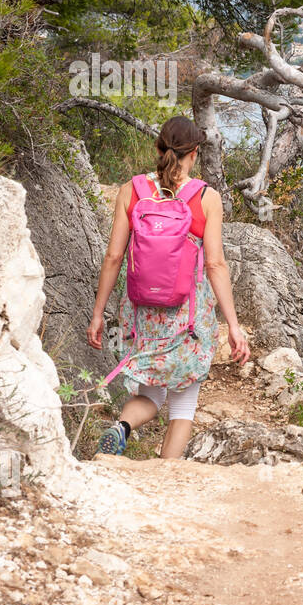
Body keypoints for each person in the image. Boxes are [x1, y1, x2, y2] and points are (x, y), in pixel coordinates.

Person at [86, 116, 250, 458]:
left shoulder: (132, 190)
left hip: (143, 314)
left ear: (158, 148)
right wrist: (234, 326)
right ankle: (166, 475)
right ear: (193, 153)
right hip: (188, 316)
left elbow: (114, 256)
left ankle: (121, 427)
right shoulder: (207, 197)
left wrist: (98, 313)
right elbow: (216, 264)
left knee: (151, 394)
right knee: (183, 404)